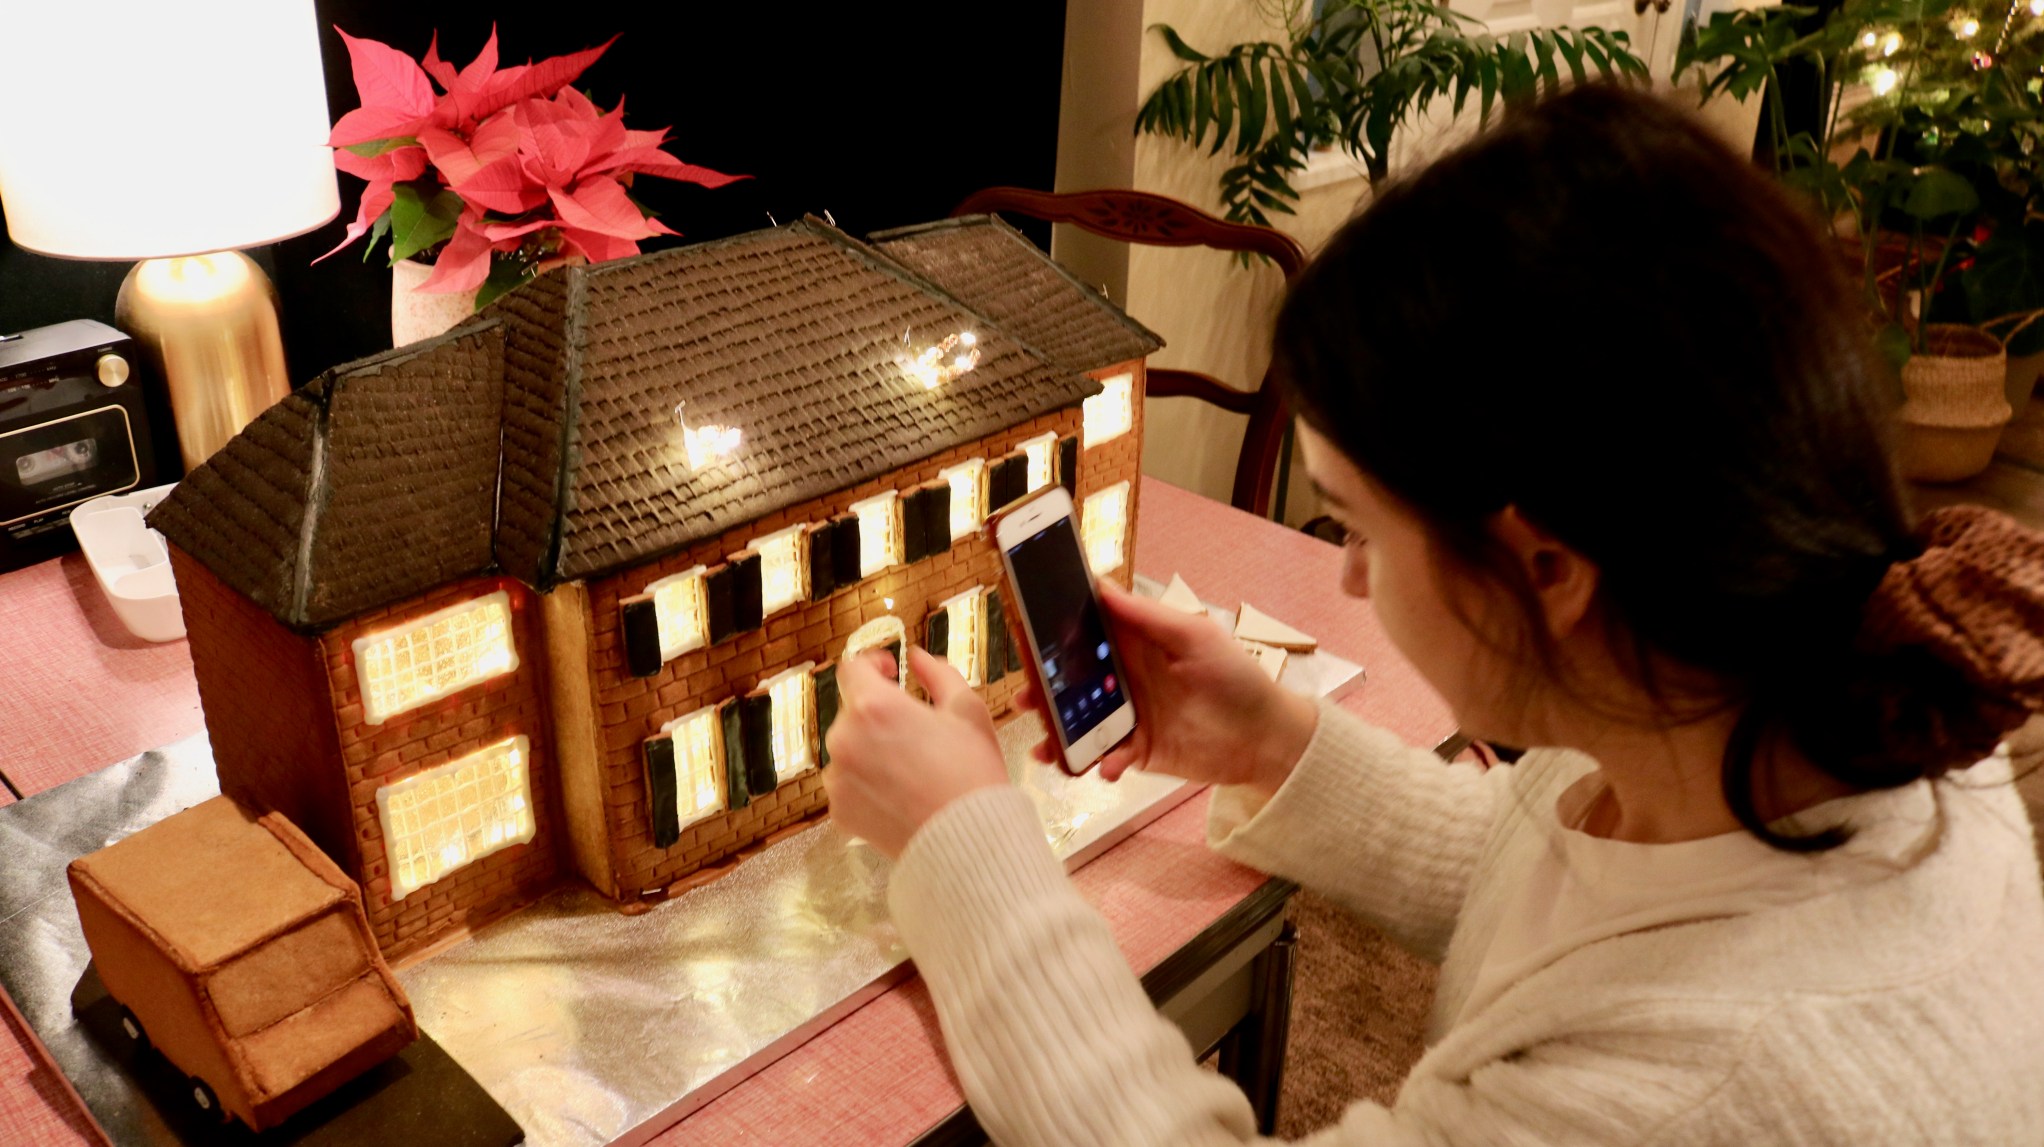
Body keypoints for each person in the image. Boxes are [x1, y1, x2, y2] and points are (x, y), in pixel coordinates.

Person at [820, 83, 2044, 1145]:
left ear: (1547, 568)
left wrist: (967, 847)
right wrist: (1271, 740)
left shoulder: (1710, 1087)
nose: (1347, 579)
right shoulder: (1872, 691)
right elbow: (1582, 899)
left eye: (1354, 525)